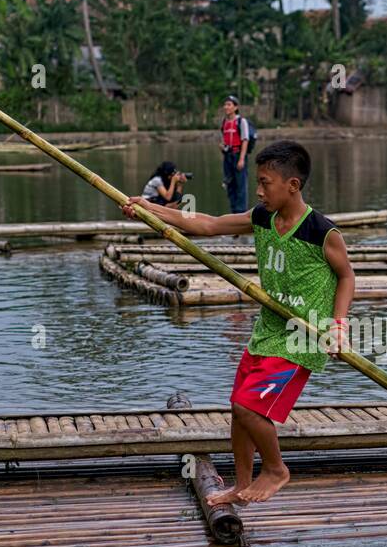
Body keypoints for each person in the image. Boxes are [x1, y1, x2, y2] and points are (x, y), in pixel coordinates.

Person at [122, 140, 355, 506]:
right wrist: (148, 208)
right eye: (258, 183)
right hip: (266, 331)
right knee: (238, 410)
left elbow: (346, 277)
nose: (259, 191)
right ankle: (241, 486)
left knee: (250, 407)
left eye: (265, 183)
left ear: (292, 185)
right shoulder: (262, 217)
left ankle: (276, 469)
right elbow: (208, 224)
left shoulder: (322, 232)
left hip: (301, 337)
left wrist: (338, 326)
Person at [220, 95, 251, 213]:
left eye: (229, 105)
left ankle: (241, 212)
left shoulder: (241, 121)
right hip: (227, 157)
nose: (226, 107)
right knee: (229, 184)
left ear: (235, 107)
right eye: (225, 104)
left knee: (240, 185)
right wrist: (222, 147)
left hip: (238, 155)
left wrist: (242, 159)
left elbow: (245, 140)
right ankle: (233, 211)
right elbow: (225, 138)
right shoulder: (225, 122)